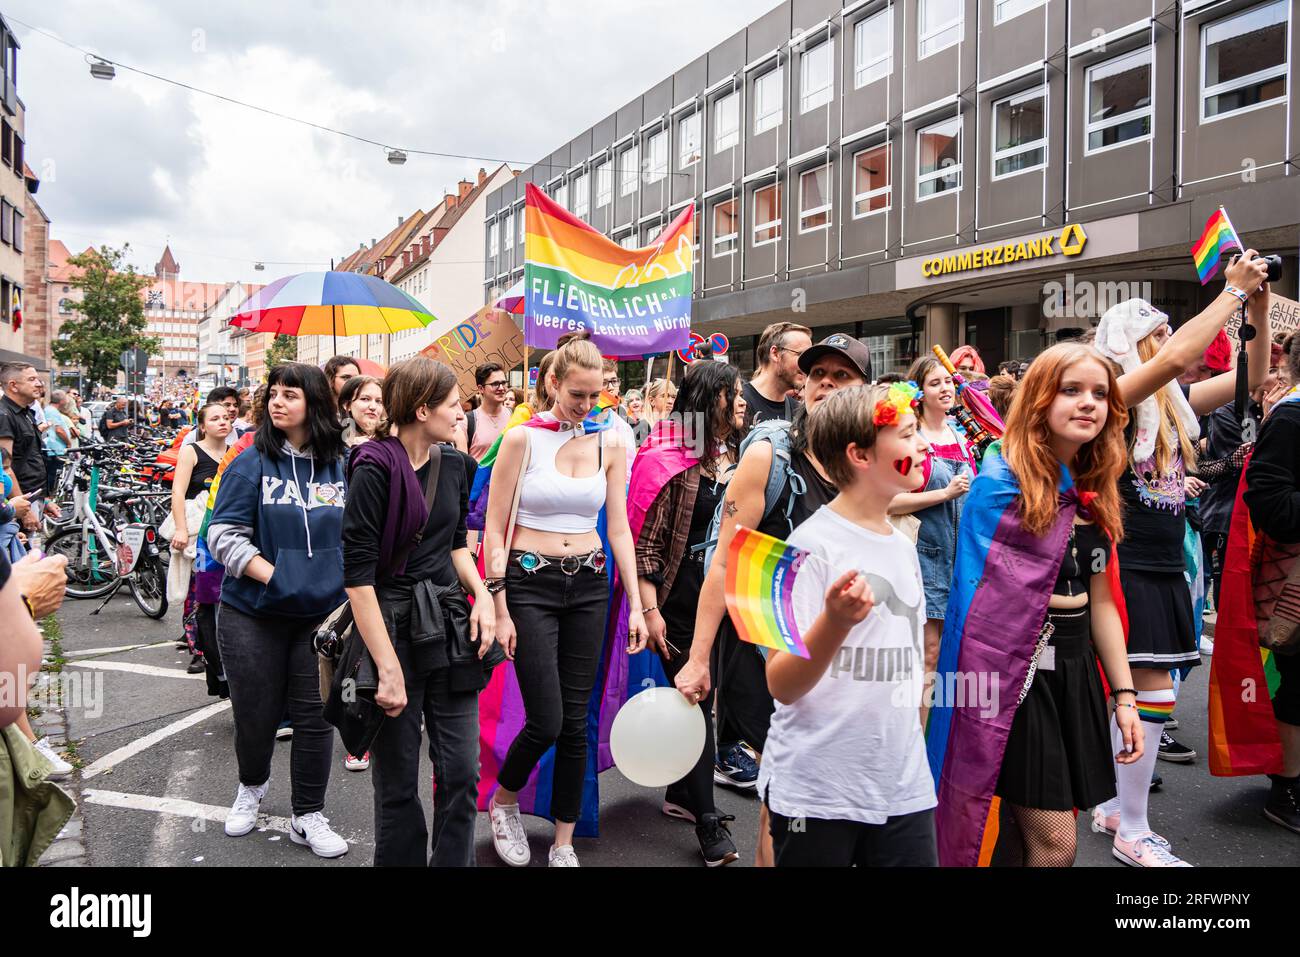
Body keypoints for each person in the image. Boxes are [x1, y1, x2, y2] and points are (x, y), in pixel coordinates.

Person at [1089, 252, 1272, 867]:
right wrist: (1230, 292)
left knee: (1141, 695)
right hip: (1124, 565)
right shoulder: (1111, 399)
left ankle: (1115, 805)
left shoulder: (1174, 401)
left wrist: (1256, 306)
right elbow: (1172, 359)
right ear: (1131, 345)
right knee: (1151, 695)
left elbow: (1253, 375)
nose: (1173, 343)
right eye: (1160, 333)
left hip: (1166, 563)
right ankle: (1133, 828)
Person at [928, 343, 1142, 867]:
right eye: (1071, 390)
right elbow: (978, 606)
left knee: (1019, 837)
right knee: (1055, 844)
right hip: (1015, 678)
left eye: (1100, 394)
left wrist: (1125, 696)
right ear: (1040, 400)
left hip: (1075, 670)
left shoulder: (1094, 489)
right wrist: (1233, 299)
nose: (1089, 403)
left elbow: (1102, 603)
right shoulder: (1003, 483)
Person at [675, 332, 871, 866]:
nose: (826, 385)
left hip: (842, 650)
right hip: (769, 645)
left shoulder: (868, 462)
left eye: (842, 376)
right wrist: (699, 659)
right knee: (782, 793)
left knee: (831, 792)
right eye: (818, 374)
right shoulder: (771, 453)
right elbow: (724, 561)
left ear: (865, 390)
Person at [481, 331, 645, 867]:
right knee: (547, 719)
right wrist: (499, 604)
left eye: (595, 395)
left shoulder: (610, 443)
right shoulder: (521, 440)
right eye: (577, 394)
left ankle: (564, 841)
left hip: (591, 584)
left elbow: (619, 529)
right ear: (552, 382)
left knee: (577, 722)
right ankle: (504, 801)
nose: (586, 404)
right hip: (530, 584)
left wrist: (637, 604)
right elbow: (495, 528)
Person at [762, 382, 936, 866]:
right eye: (908, 434)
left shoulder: (902, 547)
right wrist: (835, 623)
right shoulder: (808, 546)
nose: (924, 445)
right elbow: (781, 684)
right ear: (860, 455)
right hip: (819, 790)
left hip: (902, 786)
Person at [343, 357, 495, 866]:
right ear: (422, 409)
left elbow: (456, 545)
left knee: (462, 771)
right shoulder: (372, 467)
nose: (461, 414)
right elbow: (358, 580)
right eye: (453, 405)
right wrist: (386, 667)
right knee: (398, 780)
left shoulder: (456, 465)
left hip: (449, 624)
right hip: (392, 627)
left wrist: (483, 596)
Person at [207, 362, 351, 859]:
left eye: (291, 394)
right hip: (253, 613)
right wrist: (281, 577)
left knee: (315, 717)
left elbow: (358, 534)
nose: (277, 401)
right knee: (256, 713)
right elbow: (223, 535)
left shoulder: (342, 464)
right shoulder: (249, 461)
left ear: (316, 403)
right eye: (274, 393)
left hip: (321, 617)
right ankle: (251, 786)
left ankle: (308, 815)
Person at [632, 361, 743, 866]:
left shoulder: (730, 454)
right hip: (675, 599)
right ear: (708, 399)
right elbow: (646, 546)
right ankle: (707, 822)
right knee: (695, 697)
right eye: (731, 393)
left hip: (716, 598)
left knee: (704, 697)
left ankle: (682, 794)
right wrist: (650, 609)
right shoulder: (667, 455)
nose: (739, 401)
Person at [1234, 333, 1300, 835]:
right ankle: (1288, 787)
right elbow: (1270, 501)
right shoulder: (1291, 417)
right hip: (1294, 578)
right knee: (1298, 685)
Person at [888, 355, 976, 724]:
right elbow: (889, 501)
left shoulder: (964, 437)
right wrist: (944, 494)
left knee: (952, 657)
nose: (945, 389)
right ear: (920, 392)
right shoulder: (911, 439)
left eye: (948, 382)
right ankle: (916, 736)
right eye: (935, 383)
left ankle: (940, 738)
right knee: (927, 653)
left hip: (963, 560)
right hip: (923, 559)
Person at [170, 402, 233, 681]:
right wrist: (181, 529)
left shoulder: (234, 452)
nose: (223, 422)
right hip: (198, 532)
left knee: (221, 592)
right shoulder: (191, 451)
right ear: (203, 425)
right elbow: (178, 492)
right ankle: (199, 649)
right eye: (215, 418)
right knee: (198, 594)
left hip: (226, 532)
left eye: (226, 417)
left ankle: (220, 648)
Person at [0, 363, 57, 532]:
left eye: (38, 379)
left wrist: (44, 500)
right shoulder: (4, 415)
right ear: (13, 386)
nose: (39, 384)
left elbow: (31, 456)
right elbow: (5, 468)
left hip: (31, 497)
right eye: (31, 379)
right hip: (19, 502)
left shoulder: (26, 413)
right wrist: (24, 511)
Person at [741, 322, 812, 426]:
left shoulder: (798, 411)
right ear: (775, 354)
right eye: (801, 355)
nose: (807, 364)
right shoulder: (738, 403)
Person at [468, 363, 512, 459]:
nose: (501, 388)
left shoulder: (514, 416)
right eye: (495, 384)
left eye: (504, 383)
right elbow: (462, 463)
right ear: (481, 388)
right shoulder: (468, 421)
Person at [339, 374, 384, 449]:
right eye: (365, 399)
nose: (373, 407)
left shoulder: (390, 440)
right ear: (346, 405)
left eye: (378, 401)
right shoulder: (334, 443)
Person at [41, 390, 72, 500]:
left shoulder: (52, 410)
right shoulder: (51, 411)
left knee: (54, 475)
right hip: (54, 448)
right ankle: (50, 498)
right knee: (53, 475)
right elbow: (58, 430)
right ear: (61, 400)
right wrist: (68, 443)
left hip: (55, 448)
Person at [634, 378, 676, 445]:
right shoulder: (642, 427)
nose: (670, 401)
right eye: (664, 396)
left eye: (673, 397)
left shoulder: (676, 425)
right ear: (652, 401)